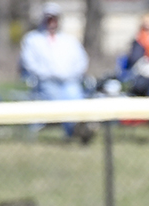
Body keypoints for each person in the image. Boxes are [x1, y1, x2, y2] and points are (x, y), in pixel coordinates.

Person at [19, 2, 92, 143]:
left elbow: (82, 60)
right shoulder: (32, 39)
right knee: (60, 99)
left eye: (54, 18)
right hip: (45, 82)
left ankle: (78, 129)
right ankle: (76, 130)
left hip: (70, 80)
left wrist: (73, 74)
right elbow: (29, 63)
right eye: (49, 18)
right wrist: (47, 74)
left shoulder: (69, 40)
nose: (51, 22)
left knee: (74, 95)